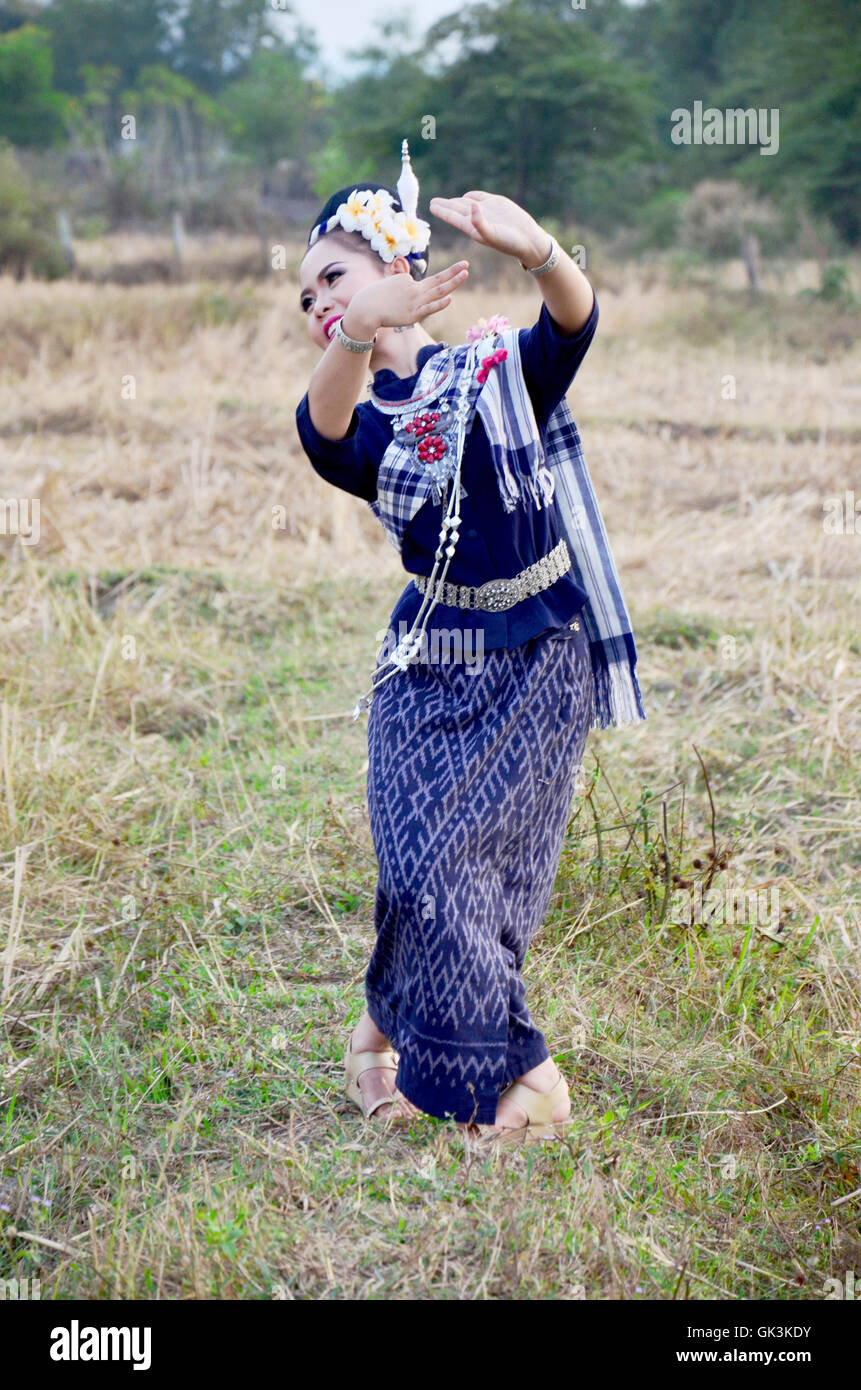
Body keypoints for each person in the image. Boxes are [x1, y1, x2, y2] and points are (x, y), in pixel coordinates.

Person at [295, 139, 646, 1145]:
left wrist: (539, 249)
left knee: (476, 879)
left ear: (398, 261)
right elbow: (321, 433)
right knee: (415, 869)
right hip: (427, 662)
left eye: (335, 276)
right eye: (307, 298)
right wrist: (354, 335)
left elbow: (573, 324)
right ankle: (438, 1048)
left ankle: (474, 1065)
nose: (318, 299)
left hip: (536, 653)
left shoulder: (495, 371)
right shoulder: (370, 422)